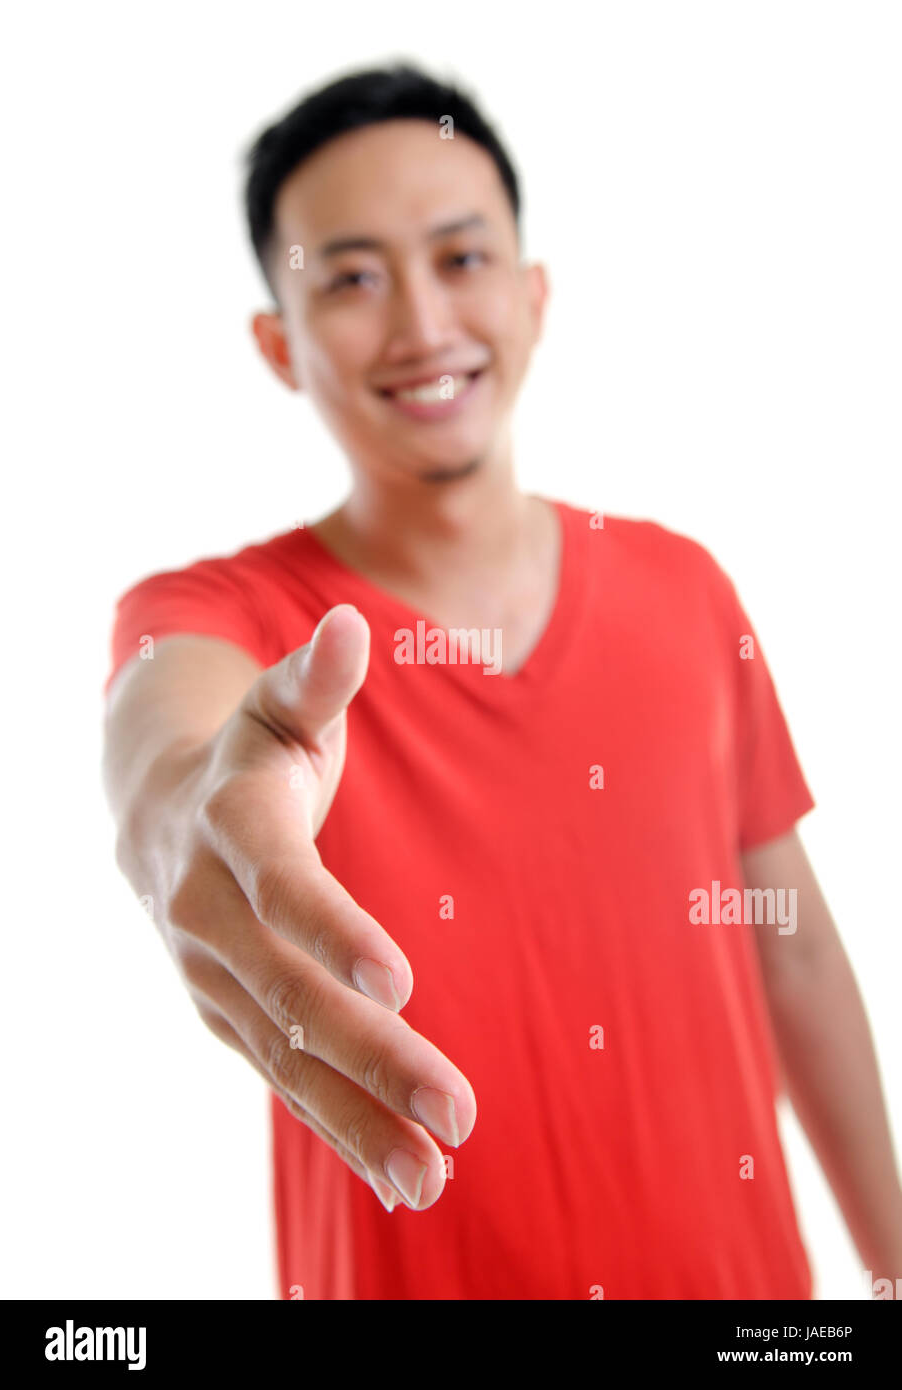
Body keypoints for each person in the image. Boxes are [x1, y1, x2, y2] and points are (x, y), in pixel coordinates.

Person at [102, 62, 902, 1300]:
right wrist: (190, 816)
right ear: (278, 342)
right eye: (355, 278)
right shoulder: (221, 616)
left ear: (533, 295)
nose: (423, 325)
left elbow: (786, 946)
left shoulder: (685, 587)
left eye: (462, 258)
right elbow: (169, 756)